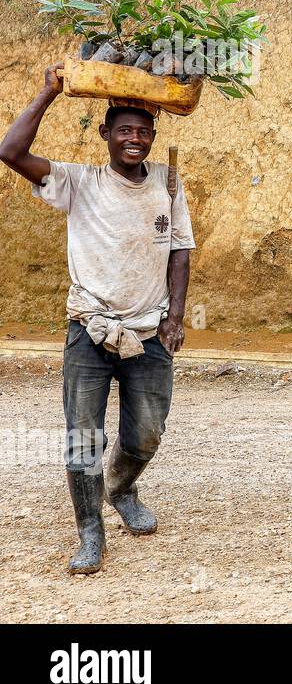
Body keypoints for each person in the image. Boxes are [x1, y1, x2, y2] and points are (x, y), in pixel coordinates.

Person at [0, 62, 194, 574]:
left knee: (146, 434)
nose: (136, 139)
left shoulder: (169, 182)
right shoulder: (77, 182)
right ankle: (90, 533)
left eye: (144, 131)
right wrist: (46, 92)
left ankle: (122, 488)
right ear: (106, 134)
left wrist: (176, 316)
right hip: (89, 330)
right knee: (83, 438)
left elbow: (180, 251)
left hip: (149, 332)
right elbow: (10, 153)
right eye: (125, 130)